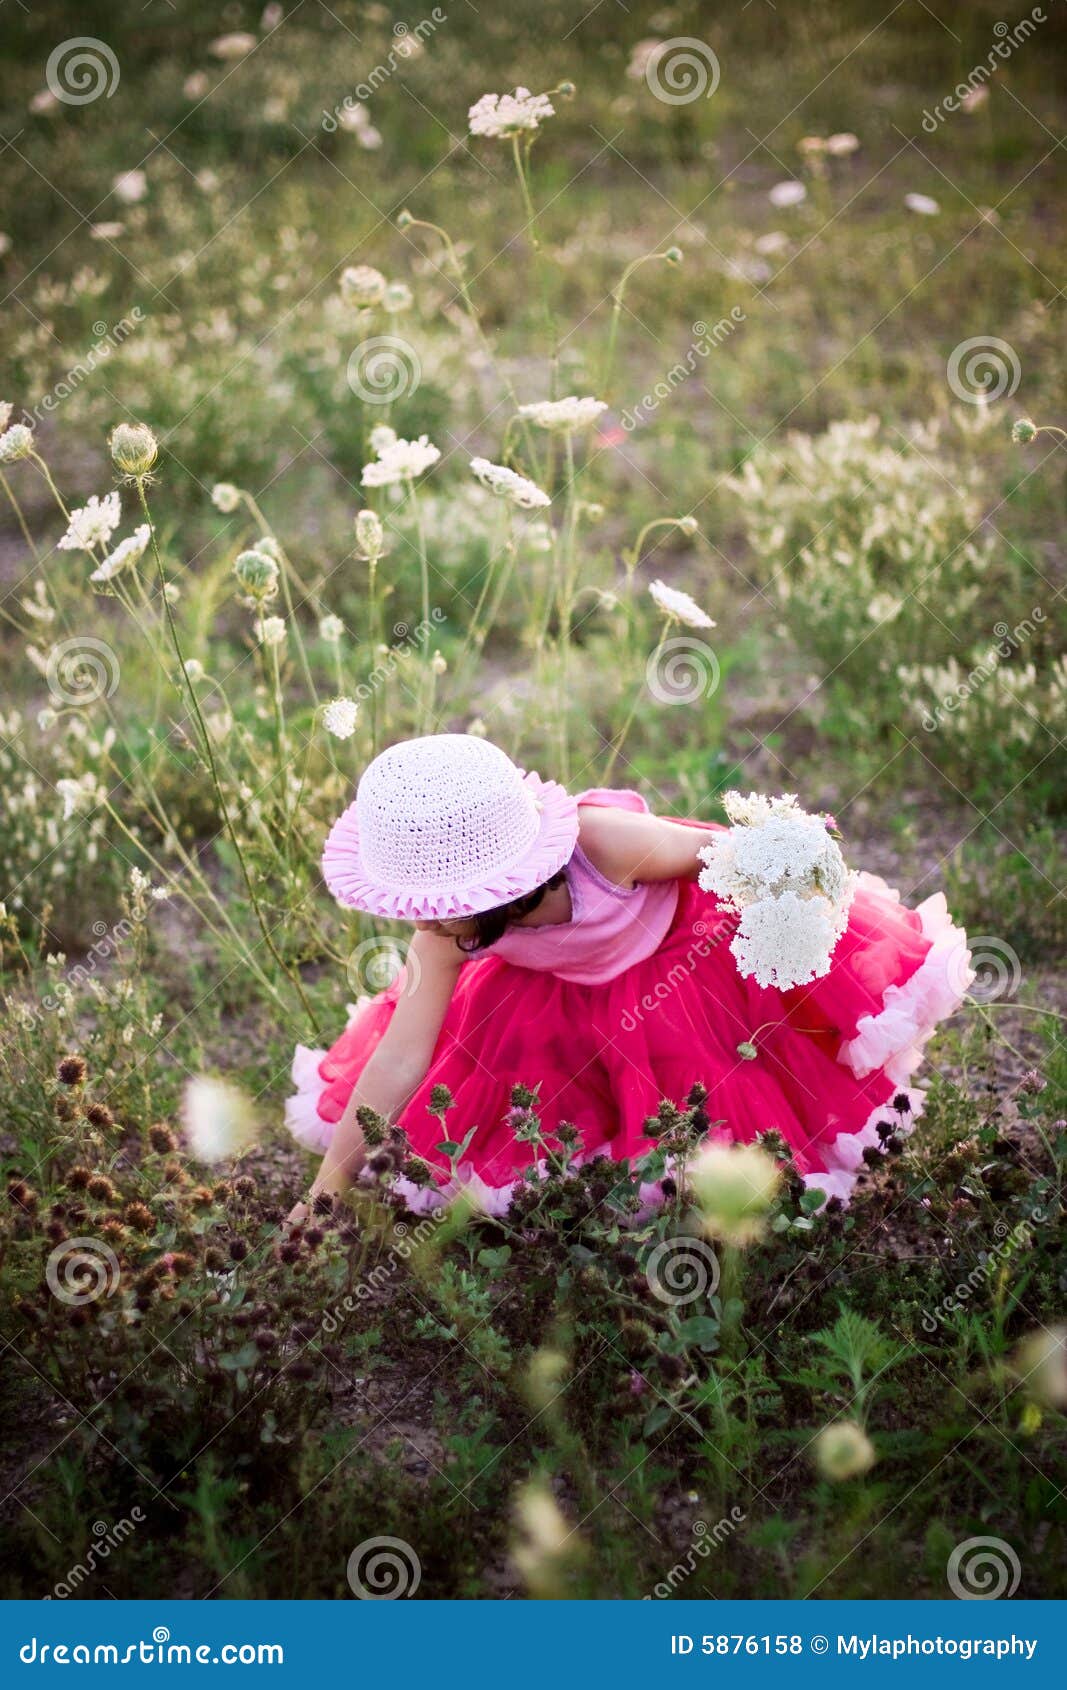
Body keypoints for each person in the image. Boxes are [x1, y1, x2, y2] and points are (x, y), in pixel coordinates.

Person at [287, 733, 971, 1217]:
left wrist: (797, 891)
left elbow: (734, 855)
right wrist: (324, 1195)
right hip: (555, 1002)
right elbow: (401, 1057)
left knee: (708, 1085)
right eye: (414, 903)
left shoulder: (604, 845)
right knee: (513, 1073)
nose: (423, 921)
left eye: (438, 905)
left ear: (493, 886)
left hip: (682, 971)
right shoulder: (442, 937)